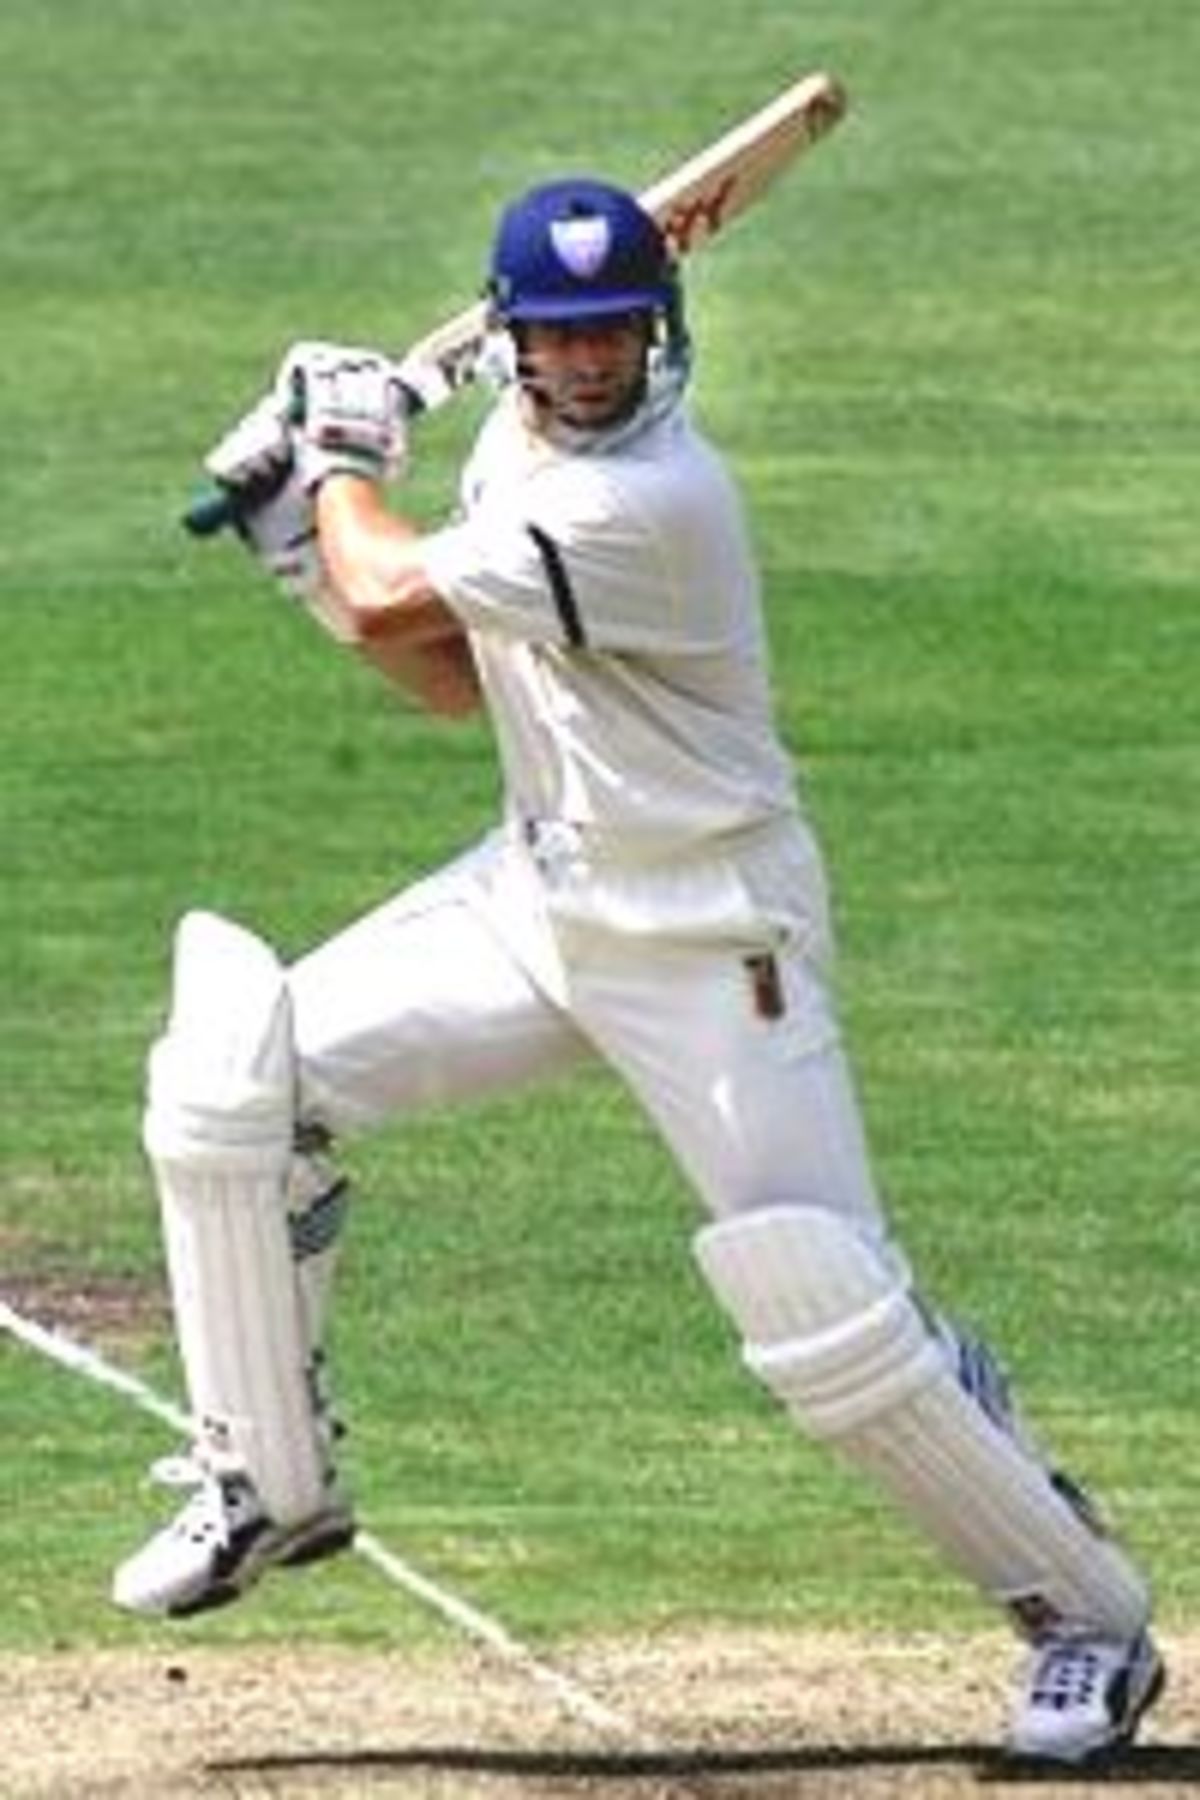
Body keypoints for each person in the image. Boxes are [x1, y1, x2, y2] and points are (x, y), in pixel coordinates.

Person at [112, 177, 1163, 1764]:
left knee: (826, 1311)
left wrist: (331, 465)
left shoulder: (658, 502)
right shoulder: (518, 450)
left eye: (615, 334)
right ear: (519, 343)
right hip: (537, 899)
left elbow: (398, 580)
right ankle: (269, 1483)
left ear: (659, 334)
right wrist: (300, 548)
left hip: (706, 937)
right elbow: (456, 681)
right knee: (236, 1082)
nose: (592, 363)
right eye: (562, 336)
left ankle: (1090, 1621)